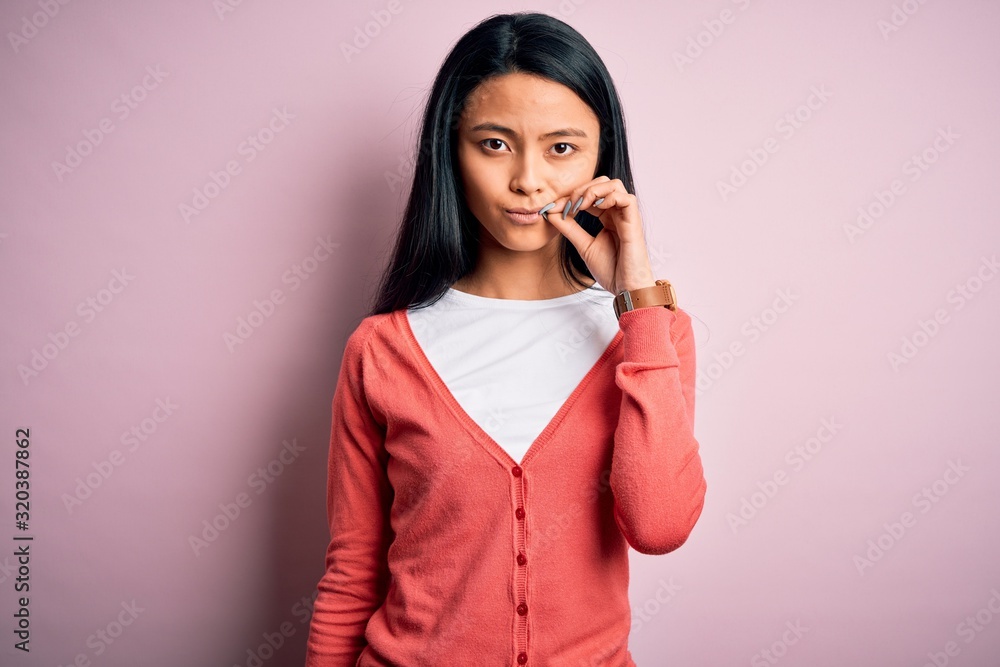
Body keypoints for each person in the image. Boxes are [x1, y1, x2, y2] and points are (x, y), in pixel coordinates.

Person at [304, 11, 707, 667]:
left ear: (603, 157)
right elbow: (352, 573)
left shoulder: (652, 336)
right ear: (450, 152)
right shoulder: (379, 351)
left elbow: (659, 526)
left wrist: (636, 298)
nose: (527, 180)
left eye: (561, 147)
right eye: (493, 144)